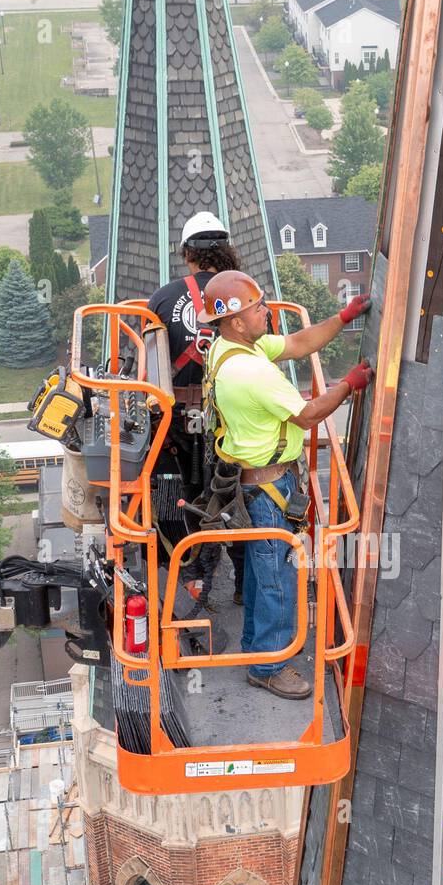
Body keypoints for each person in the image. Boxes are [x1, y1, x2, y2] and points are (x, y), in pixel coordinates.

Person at [199, 269, 373, 700]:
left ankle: (256, 649)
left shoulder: (232, 346)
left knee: (263, 576)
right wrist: (348, 386)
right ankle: (268, 666)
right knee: (278, 579)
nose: (266, 311)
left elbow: (297, 344)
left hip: (260, 484)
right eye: (258, 308)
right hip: (266, 491)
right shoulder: (250, 374)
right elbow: (309, 414)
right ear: (237, 320)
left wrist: (342, 318)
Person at [147, 212, 244, 608]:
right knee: (235, 495)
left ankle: (185, 573)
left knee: (174, 493)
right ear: (226, 254)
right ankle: (240, 581)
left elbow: (147, 369)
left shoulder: (164, 298)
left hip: (175, 424)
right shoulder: (247, 296)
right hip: (233, 420)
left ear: (188, 254)